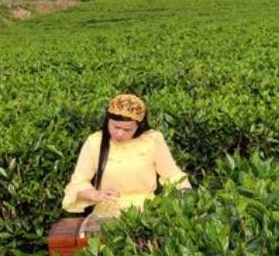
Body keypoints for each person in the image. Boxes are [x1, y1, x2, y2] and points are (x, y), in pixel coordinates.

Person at [62, 93, 191, 221]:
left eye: (127, 130)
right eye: (115, 127)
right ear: (107, 121)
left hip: (146, 213)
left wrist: (185, 195)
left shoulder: (152, 139)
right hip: (107, 214)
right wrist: (95, 194)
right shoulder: (95, 142)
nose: (119, 133)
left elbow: (172, 174)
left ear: (138, 126)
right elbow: (78, 183)